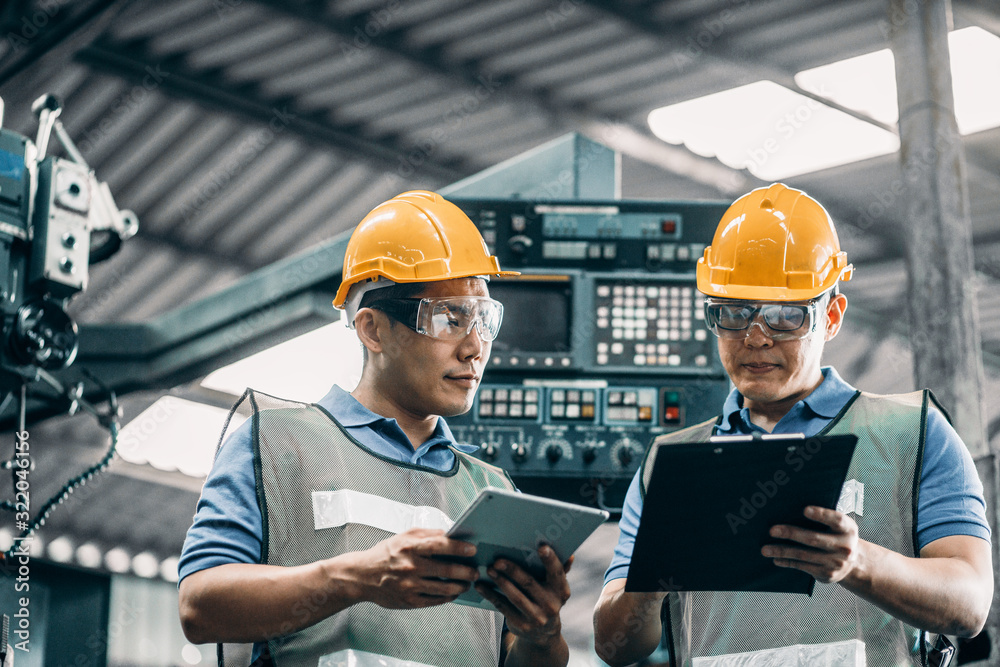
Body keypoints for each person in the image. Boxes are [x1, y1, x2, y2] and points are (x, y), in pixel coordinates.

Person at [593, 183, 993, 667]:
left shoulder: (912, 435)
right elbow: (613, 645)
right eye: (733, 313)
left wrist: (857, 561)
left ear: (833, 316)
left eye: (785, 316)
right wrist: (652, 575)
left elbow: (970, 603)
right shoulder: (672, 465)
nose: (756, 337)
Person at [178, 191, 574, 667]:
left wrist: (542, 636)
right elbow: (200, 607)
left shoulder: (492, 491)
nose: (474, 348)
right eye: (450, 318)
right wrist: (358, 577)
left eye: (484, 319)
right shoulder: (277, 445)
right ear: (373, 329)